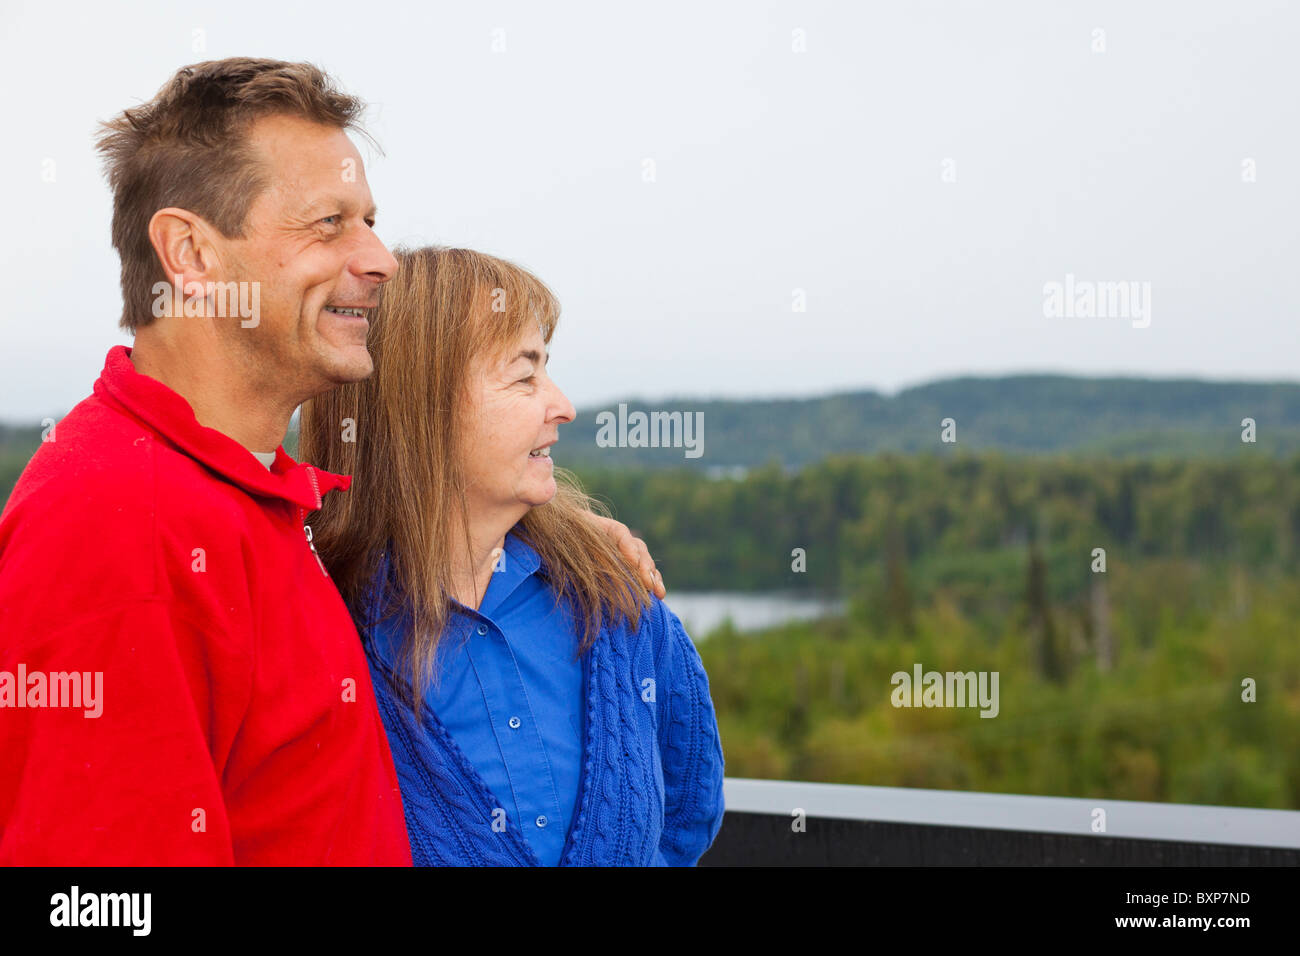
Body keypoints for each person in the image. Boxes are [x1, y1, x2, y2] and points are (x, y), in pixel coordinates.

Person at [0, 58, 661, 865]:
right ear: (191, 255)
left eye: (371, 221)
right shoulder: (116, 526)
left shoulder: (247, 494)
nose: (381, 257)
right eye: (329, 224)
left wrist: (568, 541)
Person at [298, 247, 725, 865]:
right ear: (425, 407)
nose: (563, 406)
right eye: (525, 376)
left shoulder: (616, 605)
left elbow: (687, 818)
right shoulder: (319, 630)